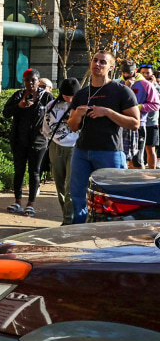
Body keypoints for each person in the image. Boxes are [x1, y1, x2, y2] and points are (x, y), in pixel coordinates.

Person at [68, 51, 140, 224]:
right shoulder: (82, 94)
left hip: (110, 151)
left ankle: (110, 233)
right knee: (77, 195)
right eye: (95, 60)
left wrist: (107, 112)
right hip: (82, 151)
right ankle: (78, 231)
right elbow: (72, 126)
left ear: (111, 68)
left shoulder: (121, 91)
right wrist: (77, 114)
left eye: (102, 62)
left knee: (113, 198)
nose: (97, 64)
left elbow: (135, 123)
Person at [3, 69, 54, 217]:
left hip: (38, 142)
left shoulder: (47, 97)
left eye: (33, 80)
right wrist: (19, 106)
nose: (30, 83)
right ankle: (17, 202)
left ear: (39, 81)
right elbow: (6, 113)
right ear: (23, 81)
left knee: (34, 171)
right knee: (18, 171)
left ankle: (31, 204)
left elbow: (54, 116)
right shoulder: (18, 95)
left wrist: (45, 129)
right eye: (27, 80)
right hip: (19, 140)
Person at [45, 78, 81, 225]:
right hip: (55, 146)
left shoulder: (82, 106)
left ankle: (69, 221)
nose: (70, 99)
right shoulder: (52, 105)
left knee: (70, 187)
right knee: (59, 184)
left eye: (73, 96)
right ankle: (66, 215)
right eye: (67, 96)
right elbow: (45, 127)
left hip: (75, 147)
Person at [124, 61, 158, 169]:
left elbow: (156, 105)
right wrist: (126, 88)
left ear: (135, 70)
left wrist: (138, 107)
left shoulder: (146, 85)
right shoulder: (118, 83)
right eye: (124, 72)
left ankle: (145, 181)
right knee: (122, 159)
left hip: (140, 124)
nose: (126, 75)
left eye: (129, 72)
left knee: (138, 159)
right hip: (120, 125)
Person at [141, 63, 159, 168]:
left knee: (150, 148)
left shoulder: (157, 87)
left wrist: (152, 85)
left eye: (147, 73)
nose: (145, 75)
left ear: (152, 75)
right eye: (143, 73)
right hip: (139, 121)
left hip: (151, 122)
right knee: (138, 148)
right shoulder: (138, 85)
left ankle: (152, 171)